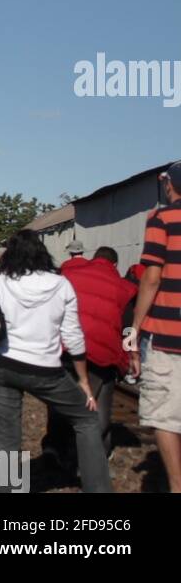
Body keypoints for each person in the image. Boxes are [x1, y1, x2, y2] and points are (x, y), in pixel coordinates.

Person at [0, 230, 111, 493]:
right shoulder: (61, 284)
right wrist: (83, 380)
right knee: (86, 420)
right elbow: (73, 337)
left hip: (0, 367)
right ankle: (98, 489)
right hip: (45, 370)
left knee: (8, 439)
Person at [43, 246, 137, 470]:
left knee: (60, 401)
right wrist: (130, 358)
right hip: (100, 353)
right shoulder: (122, 287)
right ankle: (93, 456)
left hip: (64, 348)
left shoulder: (70, 276)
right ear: (114, 265)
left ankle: (54, 448)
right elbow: (127, 328)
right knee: (97, 406)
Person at [128, 162, 181, 492]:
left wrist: (134, 328)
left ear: (169, 187)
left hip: (167, 334)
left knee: (165, 415)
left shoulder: (162, 218)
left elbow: (151, 277)